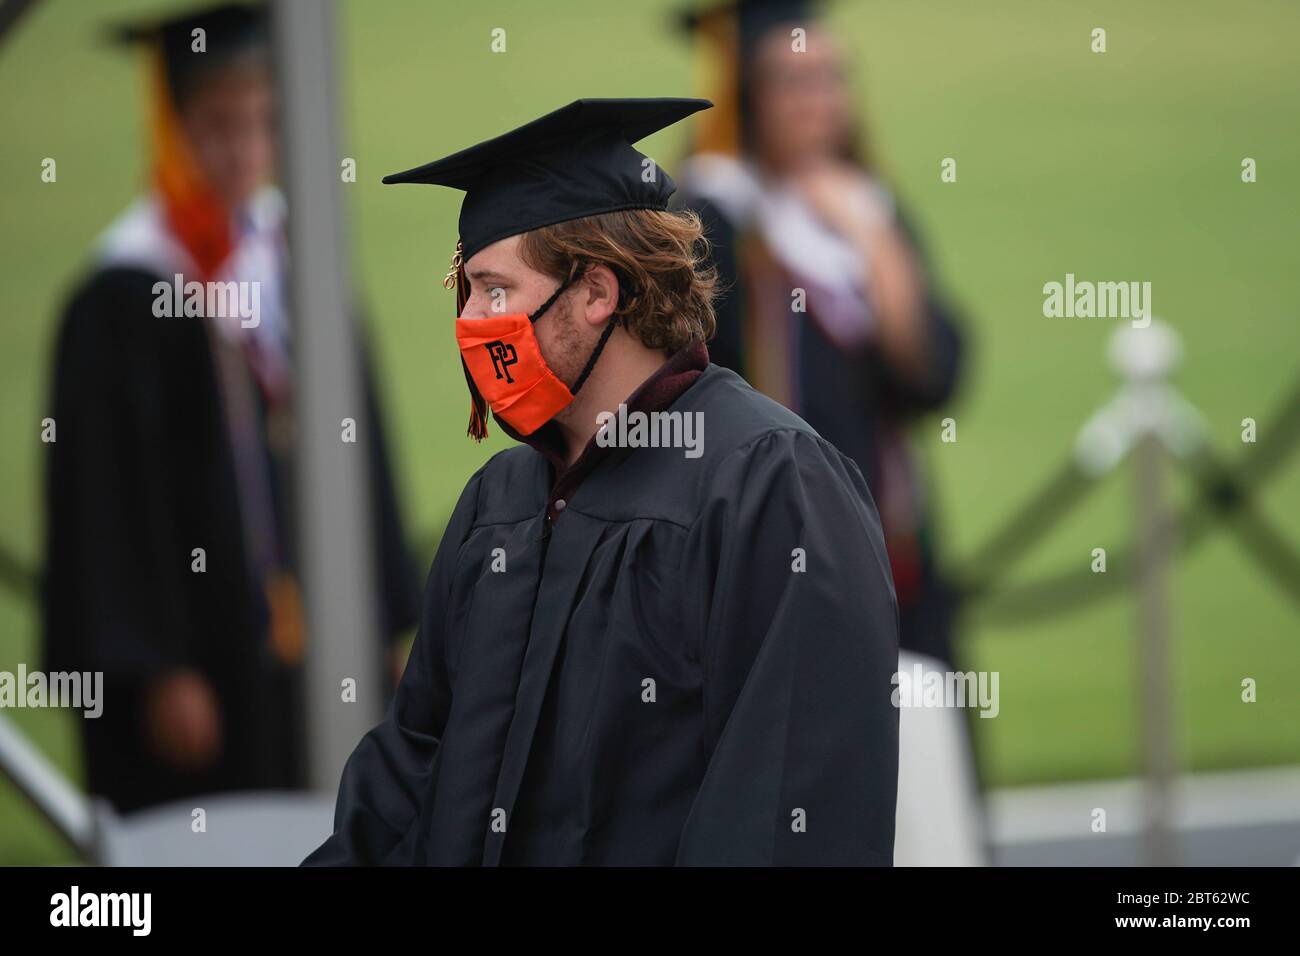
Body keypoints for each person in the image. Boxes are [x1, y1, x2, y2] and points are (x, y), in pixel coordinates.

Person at [303, 97, 900, 866]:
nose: (476, 324)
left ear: (595, 292)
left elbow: (790, 809)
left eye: (497, 290)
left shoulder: (769, 485)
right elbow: (407, 784)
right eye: (472, 293)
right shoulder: (501, 505)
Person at [42, 2, 418, 814]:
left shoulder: (295, 261)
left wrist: (384, 618)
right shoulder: (123, 293)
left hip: (314, 645)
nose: (244, 150)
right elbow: (107, 508)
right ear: (171, 125)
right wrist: (155, 668)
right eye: (218, 124)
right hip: (200, 667)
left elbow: (365, 443)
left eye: (263, 123)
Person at [674, 0, 966, 667]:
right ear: (746, 93)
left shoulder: (865, 207)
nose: (823, 101)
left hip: (888, 536)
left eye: (834, 77)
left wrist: (873, 242)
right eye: (795, 81)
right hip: (764, 541)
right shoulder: (706, 223)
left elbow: (935, 377)